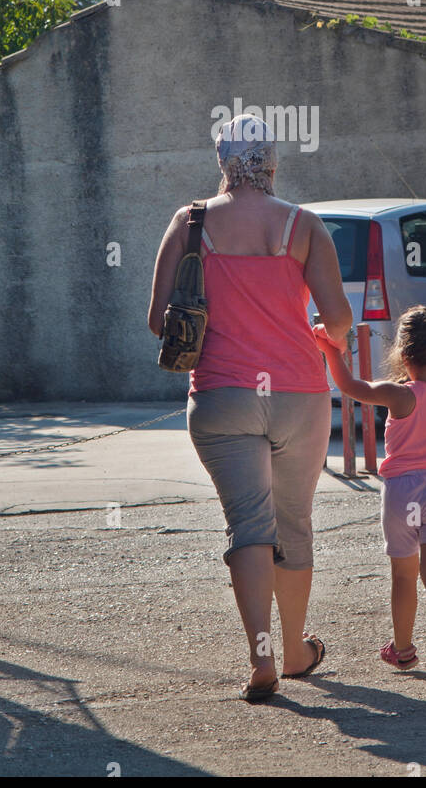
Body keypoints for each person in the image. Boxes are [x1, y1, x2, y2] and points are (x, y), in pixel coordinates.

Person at [148, 115, 352, 702]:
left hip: (221, 396)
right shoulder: (304, 225)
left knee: (249, 525)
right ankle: (295, 652)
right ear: (271, 162)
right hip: (299, 395)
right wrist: (321, 330)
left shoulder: (190, 224)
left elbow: (158, 321)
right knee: (294, 523)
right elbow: (337, 318)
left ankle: (262, 657)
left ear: (221, 161)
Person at [314, 304, 426, 678]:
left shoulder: (399, 396)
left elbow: (351, 388)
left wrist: (330, 349)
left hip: (403, 494)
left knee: (403, 574)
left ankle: (402, 650)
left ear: (403, 352)